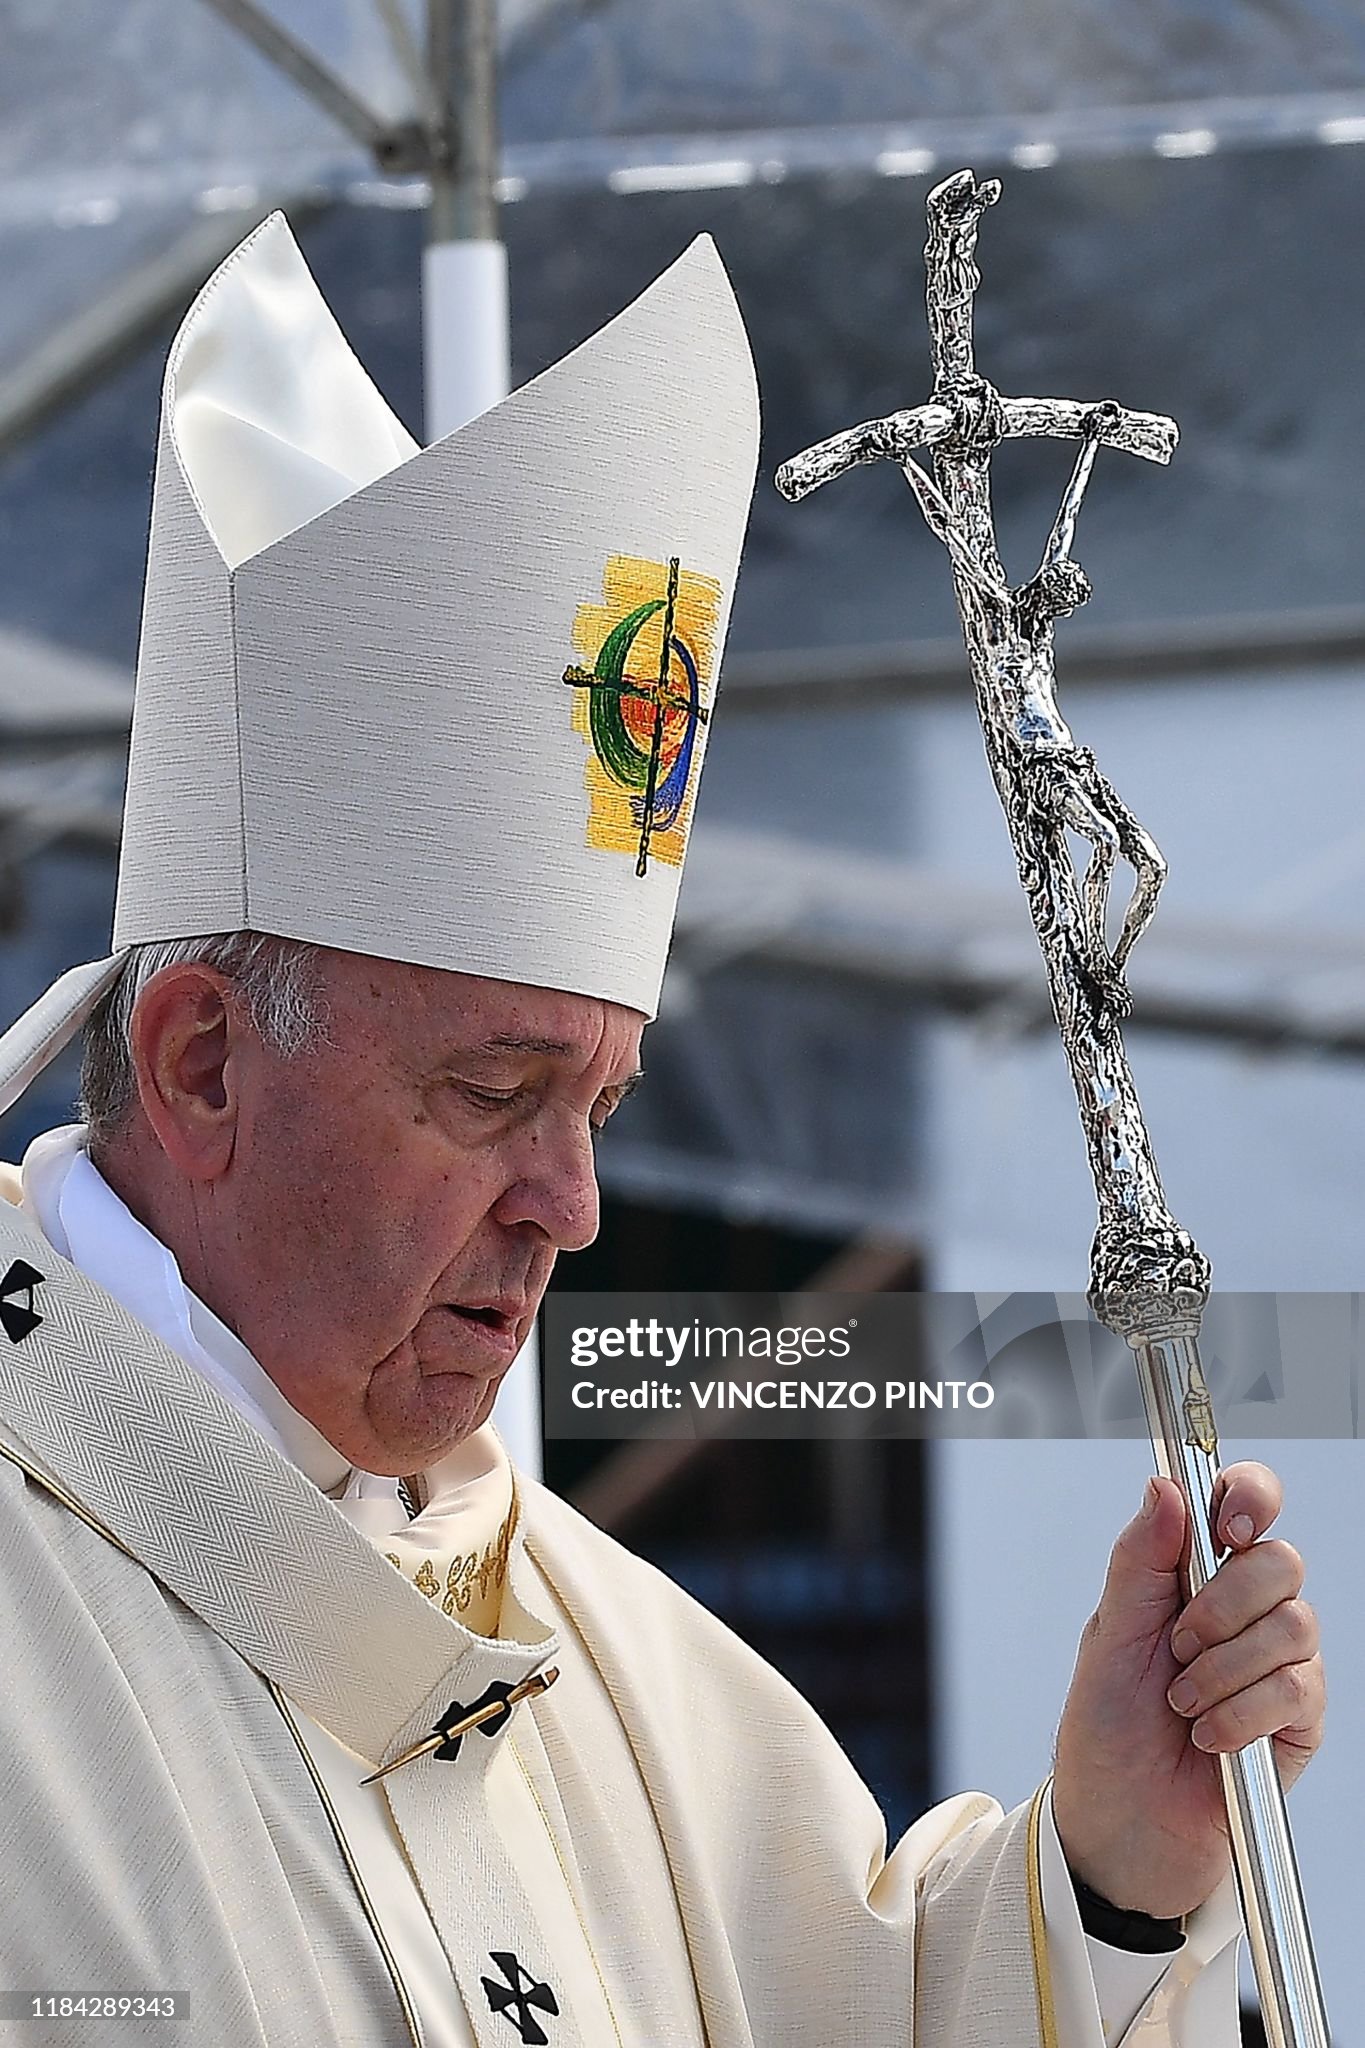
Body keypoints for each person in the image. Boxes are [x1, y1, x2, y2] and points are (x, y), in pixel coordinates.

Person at [0, 216, 1322, 2048]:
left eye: (603, 1105)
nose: (576, 1205)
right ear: (205, 1065)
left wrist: (1106, 1875)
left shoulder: (605, 1652)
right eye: (491, 1094)